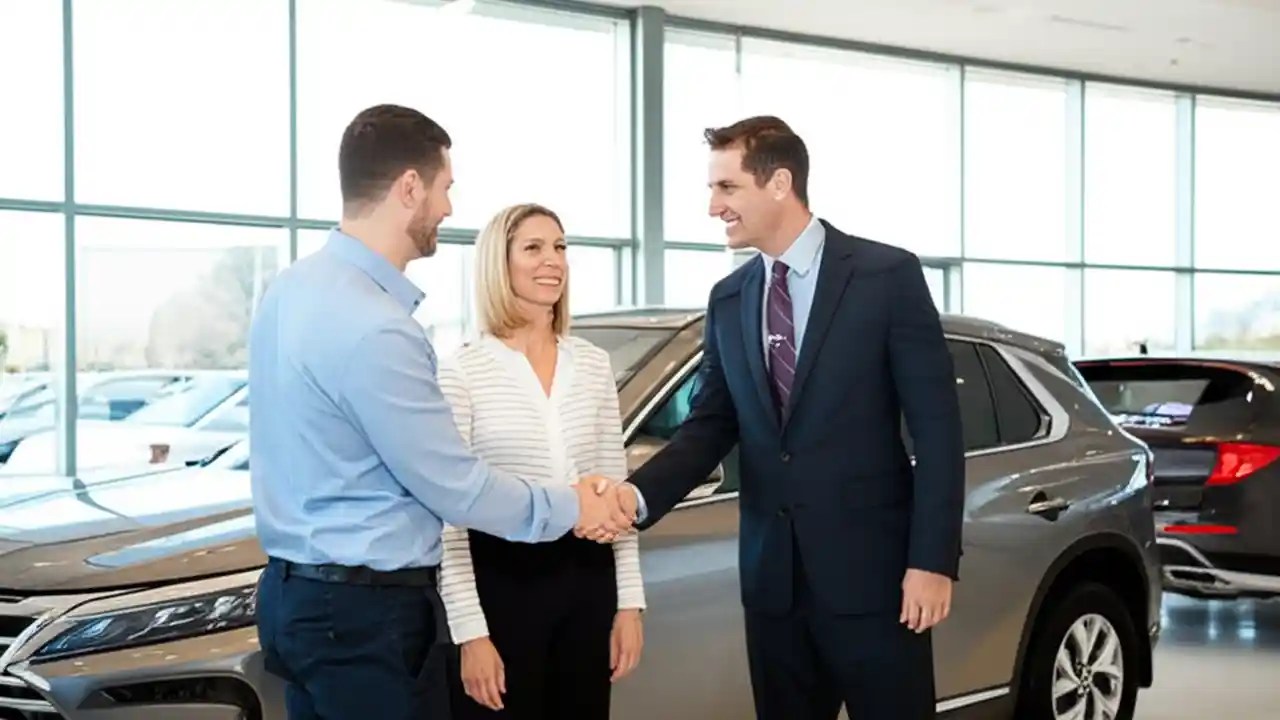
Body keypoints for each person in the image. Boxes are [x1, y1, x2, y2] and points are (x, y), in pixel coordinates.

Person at [248, 104, 634, 720]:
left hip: (296, 599)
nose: (448, 208)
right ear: (410, 187)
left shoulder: (287, 291)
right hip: (368, 617)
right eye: (444, 188)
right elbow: (455, 487)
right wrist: (574, 505)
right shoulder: (379, 327)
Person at [612, 116, 966, 720]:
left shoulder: (886, 277)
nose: (713, 207)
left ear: (779, 183)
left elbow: (937, 432)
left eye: (726, 187)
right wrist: (633, 497)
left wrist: (931, 561)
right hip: (773, 588)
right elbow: (709, 426)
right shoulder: (729, 299)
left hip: (877, 584)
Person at [436, 203, 646, 719]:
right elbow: (449, 515)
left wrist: (629, 603)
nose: (552, 260)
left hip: (587, 579)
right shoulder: (462, 370)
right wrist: (470, 634)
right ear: (498, 263)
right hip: (501, 584)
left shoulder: (592, 364)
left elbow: (613, 489)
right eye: (533, 247)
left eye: (559, 247)